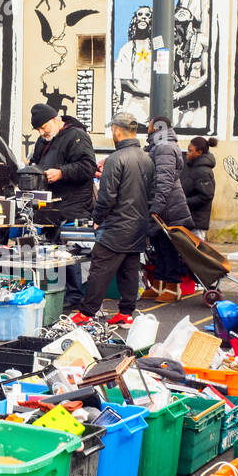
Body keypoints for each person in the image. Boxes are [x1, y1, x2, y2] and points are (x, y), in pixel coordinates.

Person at [71, 112, 154, 327]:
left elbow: (107, 196)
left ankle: (86, 313)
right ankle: (126, 314)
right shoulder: (147, 158)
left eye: (112, 130)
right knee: (129, 271)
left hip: (116, 226)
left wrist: (97, 219)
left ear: (117, 130)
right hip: (138, 226)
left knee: (100, 269)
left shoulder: (115, 159)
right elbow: (151, 193)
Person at [28, 102, 96, 309]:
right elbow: (37, 163)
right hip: (50, 206)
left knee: (67, 252)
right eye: (38, 129)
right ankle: (59, 293)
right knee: (53, 251)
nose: (42, 132)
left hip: (73, 204)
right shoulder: (43, 141)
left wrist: (62, 172)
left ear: (55, 120)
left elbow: (88, 167)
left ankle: (74, 295)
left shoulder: (76, 136)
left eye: (44, 127)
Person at [143, 115, 194, 302]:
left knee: (168, 248)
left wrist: (156, 207)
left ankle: (172, 287)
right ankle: (159, 284)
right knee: (158, 247)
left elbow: (164, 180)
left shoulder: (164, 147)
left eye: (149, 124)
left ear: (156, 127)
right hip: (163, 204)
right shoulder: (159, 145)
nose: (146, 127)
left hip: (168, 208)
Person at [114, 6, 153, 126]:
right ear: (135, 20)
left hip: (152, 108)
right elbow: (124, 80)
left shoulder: (156, 46)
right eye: (140, 15)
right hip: (132, 107)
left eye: (147, 15)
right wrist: (146, 93)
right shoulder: (127, 48)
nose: (143, 18)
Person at [181, 136, 218, 240]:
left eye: (190, 151)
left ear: (199, 152)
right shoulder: (193, 167)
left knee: (196, 254)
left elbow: (206, 196)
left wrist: (184, 202)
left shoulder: (203, 171)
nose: (187, 153)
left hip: (196, 222)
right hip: (189, 220)